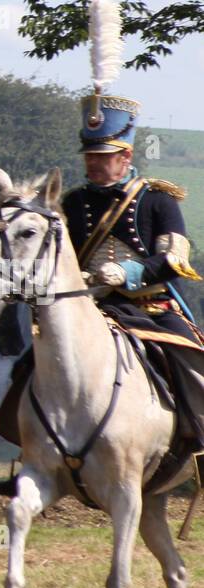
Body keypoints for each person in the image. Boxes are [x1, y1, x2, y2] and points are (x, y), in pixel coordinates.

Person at [61, 88, 204, 441]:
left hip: (150, 308)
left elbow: (175, 260)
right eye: (90, 155)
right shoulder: (73, 202)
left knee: (194, 368)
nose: (93, 163)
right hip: (94, 307)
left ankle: (198, 443)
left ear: (126, 155)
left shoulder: (159, 200)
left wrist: (130, 272)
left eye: (103, 155)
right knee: (31, 364)